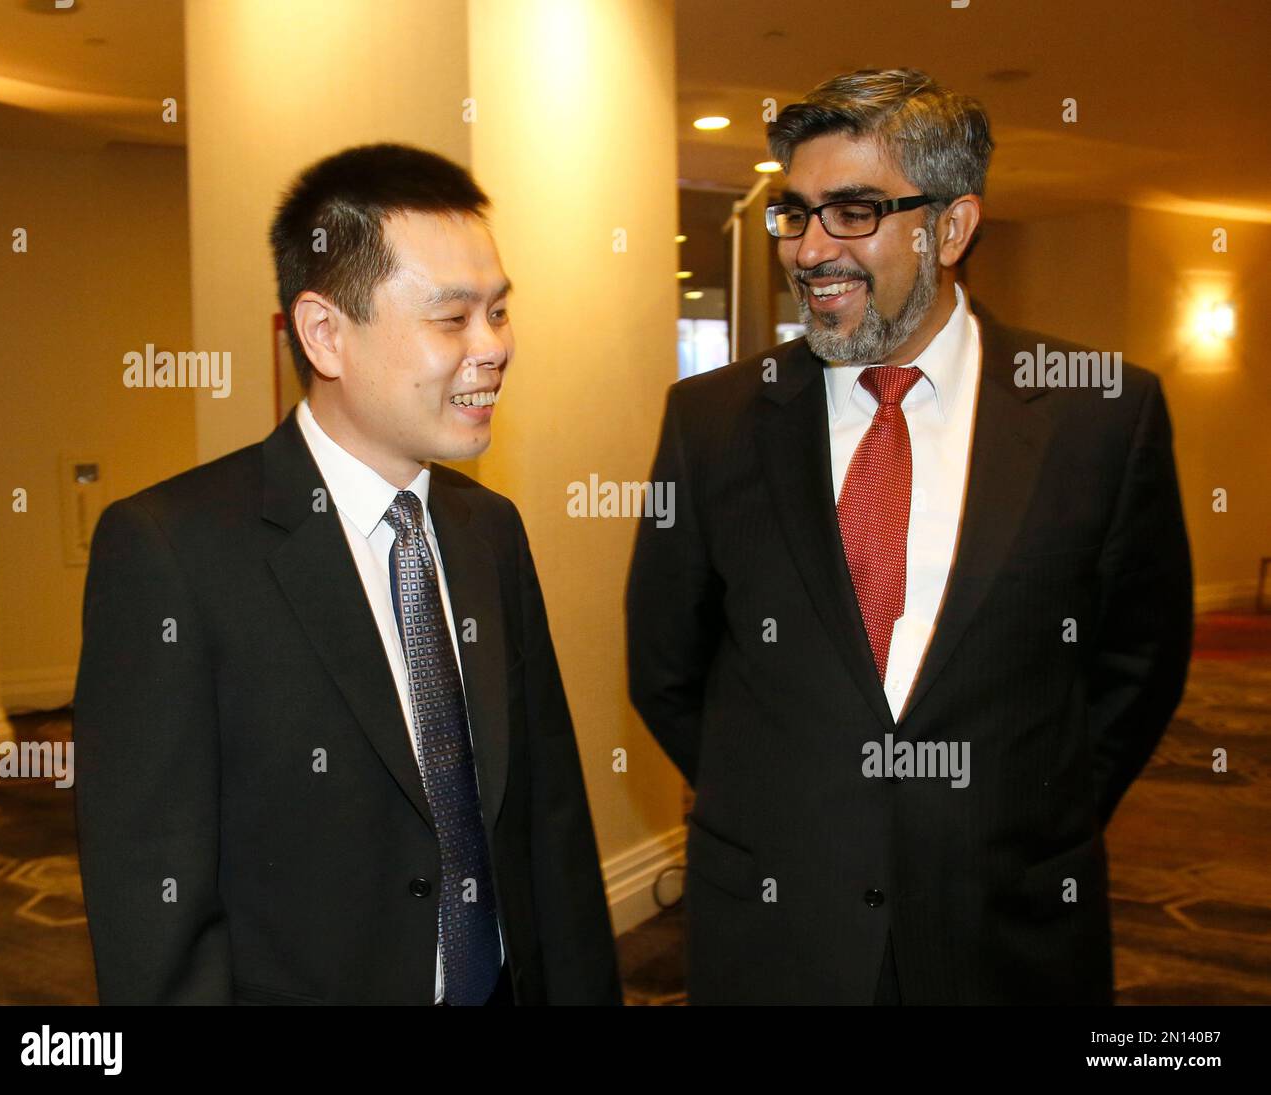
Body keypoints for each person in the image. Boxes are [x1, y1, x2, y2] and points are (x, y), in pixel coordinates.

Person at [626, 70, 1192, 1004]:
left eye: (852, 212)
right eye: (796, 213)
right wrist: (795, 799)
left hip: (1007, 926)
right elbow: (666, 666)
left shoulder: (1101, 414)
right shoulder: (713, 420)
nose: (810, 249)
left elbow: (1138, 664)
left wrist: (1017, 813)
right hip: (777, 926)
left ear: (953, 226)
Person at [73, 143, 620, 1005]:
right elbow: (153, 902)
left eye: (501, 311)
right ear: (326, 332)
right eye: (452, 319)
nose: (494, 348)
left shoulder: (489, 531)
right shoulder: (170, 552)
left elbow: (549, 826)